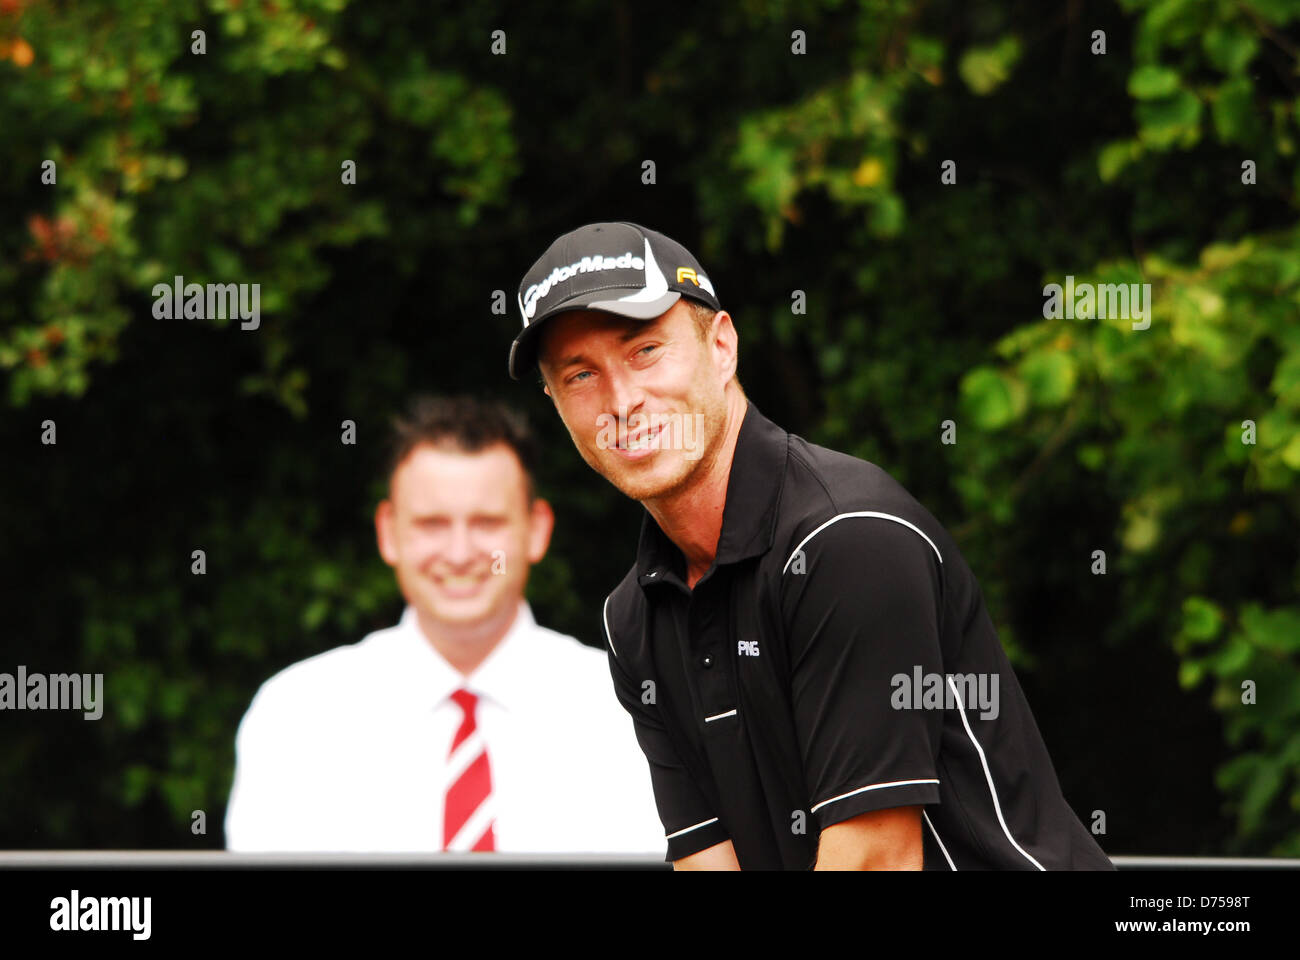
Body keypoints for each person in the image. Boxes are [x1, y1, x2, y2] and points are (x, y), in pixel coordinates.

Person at [507, 220, 1116, 871]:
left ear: (722, 346)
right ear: (554, 401)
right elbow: (708, 865)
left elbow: (875, 861)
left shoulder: (848, 538)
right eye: (579, 376)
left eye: (645, 350)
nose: (622, 400)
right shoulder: (634, 617)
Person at [224, 394, 664, 854]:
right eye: (432, 523)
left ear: (536, 529)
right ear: (388, 532)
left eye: (487, 522)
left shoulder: (626, 714)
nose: (458, 554)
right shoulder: (296, 716)